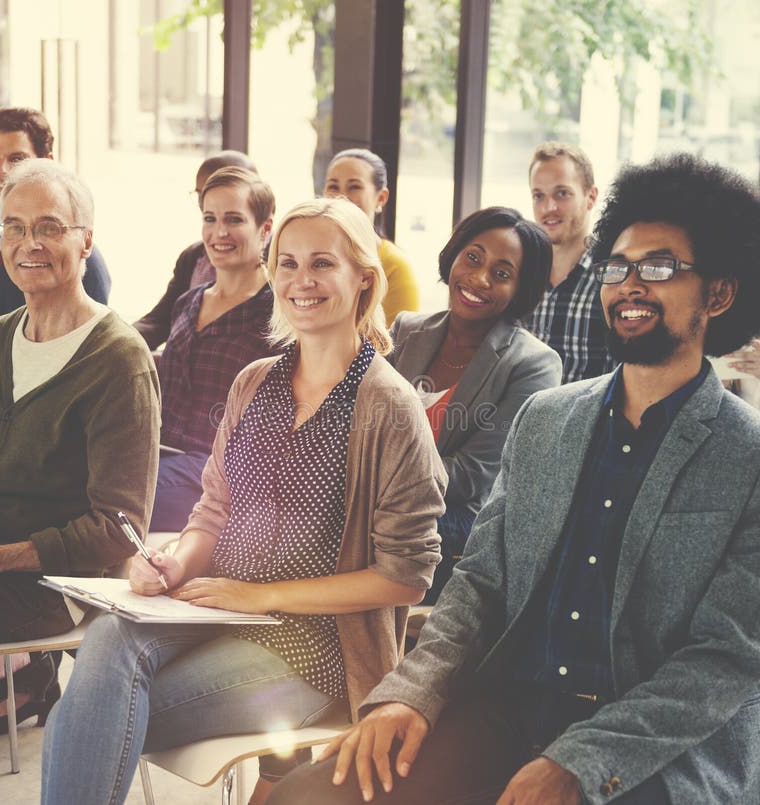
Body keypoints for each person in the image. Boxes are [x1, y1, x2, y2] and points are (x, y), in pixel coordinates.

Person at [268, 153, 760, 805]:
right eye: (618, 265)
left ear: (719, 294)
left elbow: (721, 661)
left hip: (652, 748)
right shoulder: (548, 419)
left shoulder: (746, 455)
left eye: (660, 267)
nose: (630, 282)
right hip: (510, 707)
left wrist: (579, 760)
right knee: (307, 796)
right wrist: (412, 693)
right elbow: (480, 580)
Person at [41, 196, 446, 805]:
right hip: (213, 610)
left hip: (312, 647)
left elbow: (406, 578)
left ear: (363, 279)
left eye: (321, 264)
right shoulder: (253, 381)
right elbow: (213, 513)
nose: (300, 281)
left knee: (87, 717)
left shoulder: (388, 405)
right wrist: (176, 562)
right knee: (106, 639)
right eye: (286, 263)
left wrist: (259, 597)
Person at [0, 159, 160, 736]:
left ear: (86, 240)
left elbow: (120, 530)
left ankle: (26, 678)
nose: (30, 244)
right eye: (14, 227)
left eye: (49, 227)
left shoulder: (118, 359)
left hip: (57, 585)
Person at [389, 206, 561, 602]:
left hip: (454, 524)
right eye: (472, 257)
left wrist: (376, 477)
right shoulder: (406, 329)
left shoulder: (533, 364)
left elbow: (473, 476)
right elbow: (353, 423)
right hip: (382, 508)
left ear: (521, 288)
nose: (478, 278)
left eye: (501, 274)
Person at [150, 166, 278, 531]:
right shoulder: (188, 301)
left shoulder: (278, 314)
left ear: (265, 229)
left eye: (234, 219)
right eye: (210, 218)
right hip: (161, 454)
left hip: (222, 474)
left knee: (120, 499)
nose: (219, 233)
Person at [0, 107, 111, 340]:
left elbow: (91, 346)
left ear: (47, 163)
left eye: (17, 159)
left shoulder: (77, 259)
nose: (3, 171)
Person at [133, 149, 258, 350]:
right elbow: (159, 320)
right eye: (203, 196)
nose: (211, 202)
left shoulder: (281, 263)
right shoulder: (193, 258)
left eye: (234, 218)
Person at [527, 141, 614, 383]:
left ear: (591, 197)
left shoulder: (613, 280)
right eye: (538, 196)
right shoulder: (521, 274)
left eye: (562, 193)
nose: (549, 207)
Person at [325, 148, 419, 325]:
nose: (341, 196)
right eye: (333, 186)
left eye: (354, 187)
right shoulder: (307, 255)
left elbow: (400, 345)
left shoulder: (395, 266)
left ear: (381, 198)